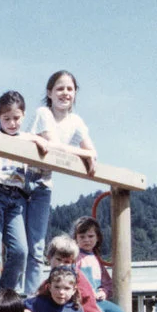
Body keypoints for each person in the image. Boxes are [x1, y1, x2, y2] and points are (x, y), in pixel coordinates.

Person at [23, 70, 98, 295]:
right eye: (60, 88)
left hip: (43, 182)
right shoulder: (43, 113)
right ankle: (10, 295)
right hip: (21, 179)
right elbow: (54, 146)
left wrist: (89, 154)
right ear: (49, 93)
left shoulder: (76, 121)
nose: (65, 93)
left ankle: (31, 295)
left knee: (37, 246)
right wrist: (83, 153)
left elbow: (92, 150)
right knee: (18, 246)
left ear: (75, 93)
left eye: (69, 89)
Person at [0, 91, 48, 303]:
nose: (11, 123)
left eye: (16, 118)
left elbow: (41, 141)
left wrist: (38, 140)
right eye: (6, 118)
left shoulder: (26, 139)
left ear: (23, 116)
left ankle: (7, 296)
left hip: (16, 197)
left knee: (20, 251)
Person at [73, 216, 138, 312]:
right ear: (76, 239)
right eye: (82, 237)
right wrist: (85, 293)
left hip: (97, 300)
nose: (86, 240)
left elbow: (106, 282)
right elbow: (72, 280)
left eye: (90, 236)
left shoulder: (96, 259)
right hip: (83, 301)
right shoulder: (75, 258)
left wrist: (104, 291)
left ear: (97, 238)